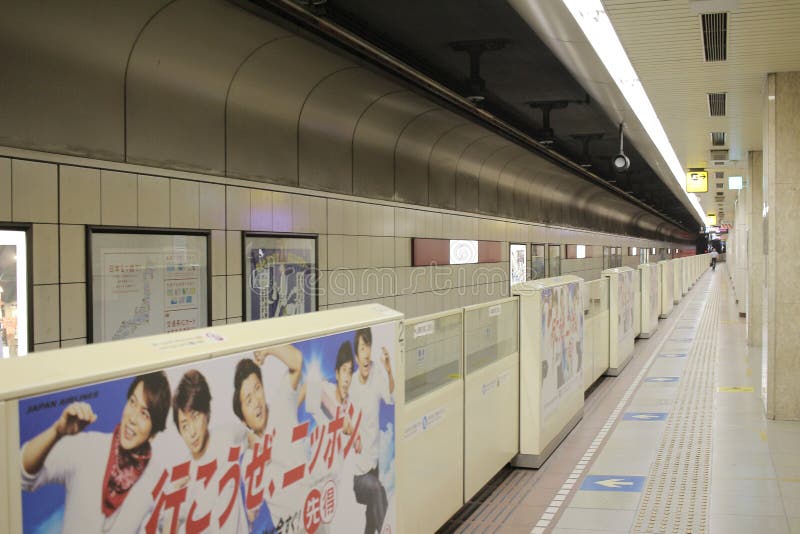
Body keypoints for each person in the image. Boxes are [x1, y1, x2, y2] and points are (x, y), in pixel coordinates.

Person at [20, 372, 171, 533]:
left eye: (144, 414)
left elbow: (169, 521)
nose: (132, 418)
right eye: (132, 402)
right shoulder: (88, 447)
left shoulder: (157, 478)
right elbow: (21, 474)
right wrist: (56, 431)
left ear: (154, 431)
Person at [232, 345, 307, 531]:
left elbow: (297, 362)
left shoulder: (282, 405)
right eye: (248, 401)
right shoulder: (249, 460)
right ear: (243, 418)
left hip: (312, 514)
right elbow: (252, 512)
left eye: (257, 389)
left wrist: (269, 349)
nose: (256, 402)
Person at [166, 369, 250, 533]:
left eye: (195, 416)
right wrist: (174, 495)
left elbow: (254, 438)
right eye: (184, 425)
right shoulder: (183, 475)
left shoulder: (228, 435)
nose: (192, 433)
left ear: (207, 413)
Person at [349, 328, 394, 534]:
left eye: (368, 346)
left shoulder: (376, 374)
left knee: (369, 520)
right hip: (357, 474)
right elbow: (342, 419)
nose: (366, 353)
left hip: (373, 467)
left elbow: (389, 394)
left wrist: (389, 369)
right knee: (378, 491)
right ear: (357, 356)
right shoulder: (351, 386)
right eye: (362, 348)